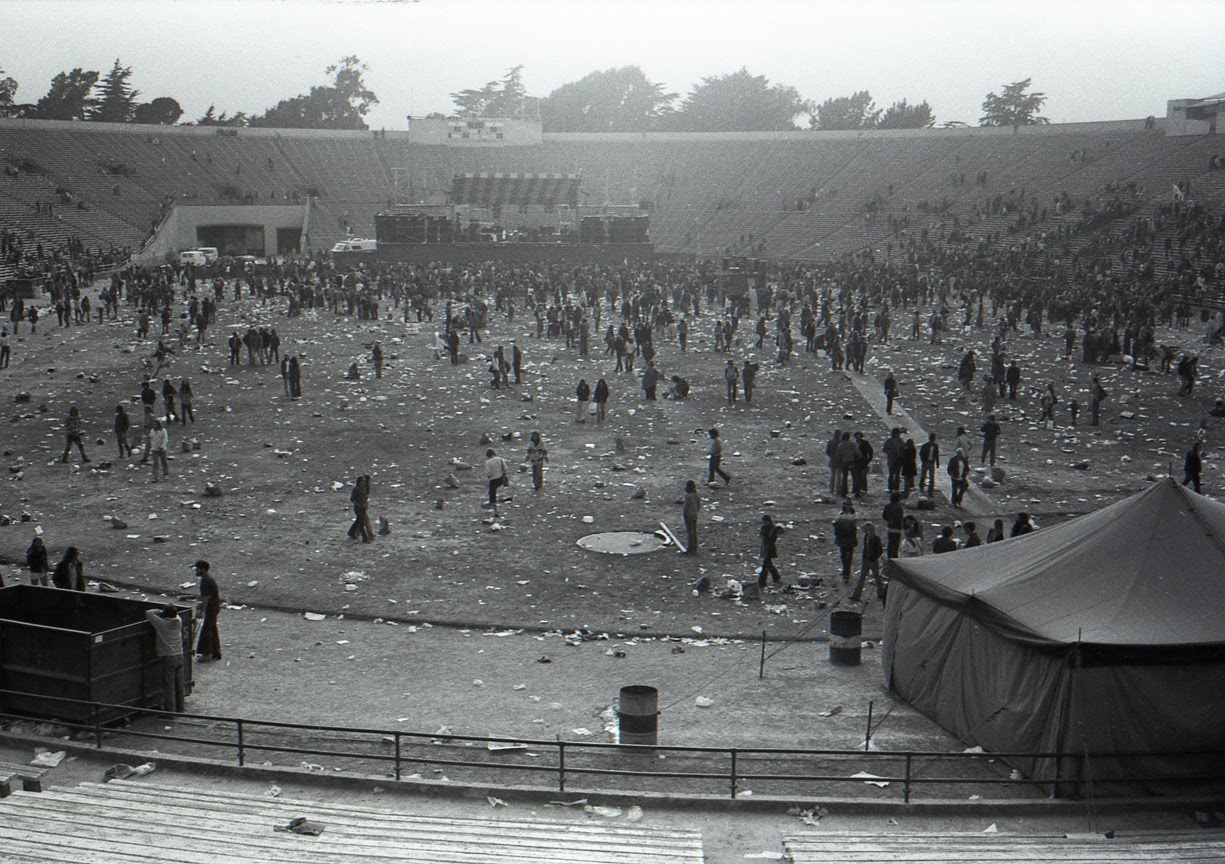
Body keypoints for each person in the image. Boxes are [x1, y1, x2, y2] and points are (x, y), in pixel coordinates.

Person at [145, 604, 186, 713]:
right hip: (180, 655)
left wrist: (160, 611)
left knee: (169, 686)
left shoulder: (162, 624)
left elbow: (149, 613)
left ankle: (169, 712)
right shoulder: (179, 621)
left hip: (168, 657)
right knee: (179, 684)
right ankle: (181, 708)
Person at [195, 560, 222, 662]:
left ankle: (206, 654)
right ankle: (216, 653)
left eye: (197, 569)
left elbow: (205, 598)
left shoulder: (205, 581)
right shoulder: (208, 579)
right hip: (214, 607)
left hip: (211, 608)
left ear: (202, 569)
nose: (196, 571)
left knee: (206, 631)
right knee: (212, 630)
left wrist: (201, 611)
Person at [852, 522, 886, 602]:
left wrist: (874, 557)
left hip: (872, 560)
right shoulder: (866, 537)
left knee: (876, 577)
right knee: (862, 578)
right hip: (866, 560)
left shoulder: (876, 538)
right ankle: (856, 595)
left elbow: (879, 550)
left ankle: (882, 593)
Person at [832, 501, 858, 583]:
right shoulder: (841, 514)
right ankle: (845, 570)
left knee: (849, 555)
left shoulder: (853, 515)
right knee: (843, 555)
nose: (848, 507)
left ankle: (847, 571)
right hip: (844, 537)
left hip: (848, 537)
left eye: (849, 505)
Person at [757, 514, 784, 589]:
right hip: (765, 547)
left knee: (765, 565)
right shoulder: (764, 528)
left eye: (766, 521)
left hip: (769, 548)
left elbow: (773, 539)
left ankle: (762, 581)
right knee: (768, 564)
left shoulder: (772, 528)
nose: (765, 523)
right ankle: (776, 577)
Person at [484, 449, 510, 517]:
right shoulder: (500, 459)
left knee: (492, 494)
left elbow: (488, 473)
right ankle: (498, 503)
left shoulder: (488, 462)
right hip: (501, 478)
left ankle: (495, 510)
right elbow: (505, 468)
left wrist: (489, 477)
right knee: (497, 490)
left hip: (493, 480)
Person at [348, 475, 373, 542]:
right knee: (361, 522)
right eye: (362, 481)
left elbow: (366, 496)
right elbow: (352, 499)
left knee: (359, 521)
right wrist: (358, 505)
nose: (363, 483)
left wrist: (365, 504)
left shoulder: (364, 489)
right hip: (358, 508)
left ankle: (351, 532)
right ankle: (364, 538)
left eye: (364, 481)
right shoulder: (356, 489)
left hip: (364, 507)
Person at [882, 492, 905, 559]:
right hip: (897, 529)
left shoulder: (887, 506)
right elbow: (900, 518)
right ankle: (894, 558)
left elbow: (884, 516)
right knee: (895, 545)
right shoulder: (899, 508)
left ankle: (889, 558)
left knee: (890, 544)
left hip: (890, 527)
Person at [682, 480, 700, 556]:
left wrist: (684, 514)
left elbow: (685, 507)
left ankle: (690, 548)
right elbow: (699, 505)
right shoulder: (696, 495)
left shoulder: (688, 496)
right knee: (694, 531)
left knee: (690, 532)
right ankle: (694, 548)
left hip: (688, 515)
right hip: (694, 515)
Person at [919, 433, 939, 498]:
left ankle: (929, 491)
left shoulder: (932, 446)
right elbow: (921, 454)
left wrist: (937, 462)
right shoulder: (928, 446)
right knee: (925, 477)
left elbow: (936, 455)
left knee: (929, 477)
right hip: (927, 462)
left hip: (930, 462)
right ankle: (923, 489)